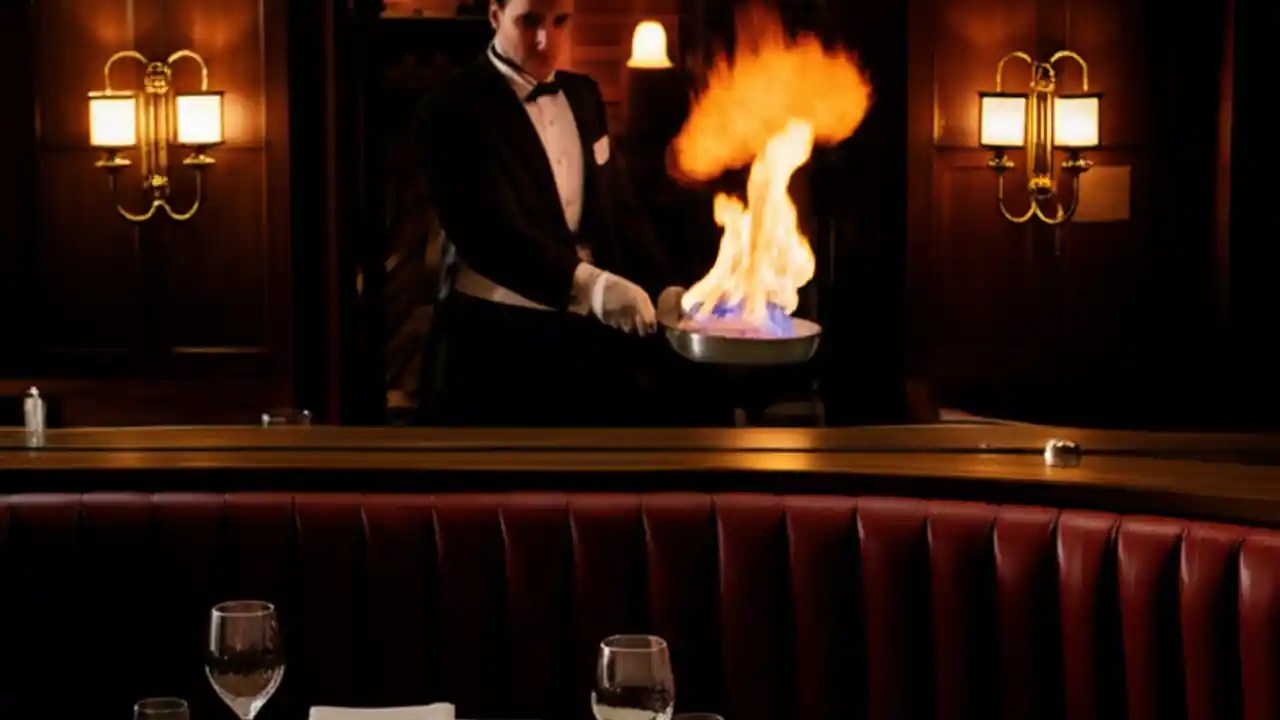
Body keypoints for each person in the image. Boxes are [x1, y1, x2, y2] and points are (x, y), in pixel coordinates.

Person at [416, 0, 685, 426]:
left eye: (560, 22)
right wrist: (591, 286)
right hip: (495, 342)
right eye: (529, 22)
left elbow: (620, 209)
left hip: (583, 342)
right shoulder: (452, 107)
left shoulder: (584, 95)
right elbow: (489, 233)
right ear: (494, 16)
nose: (546, 40)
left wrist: (662, 286)